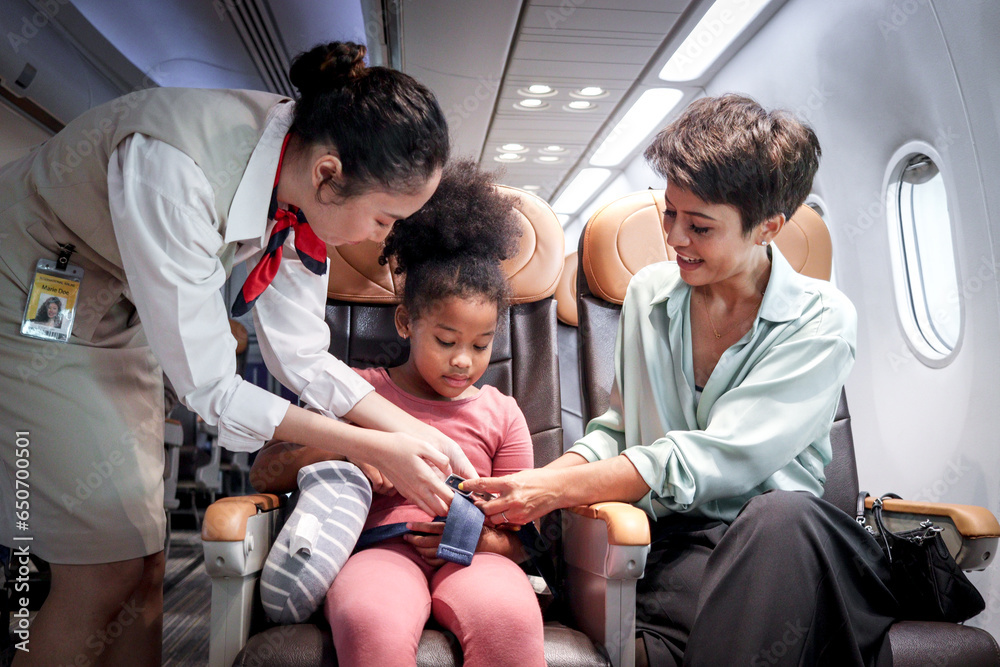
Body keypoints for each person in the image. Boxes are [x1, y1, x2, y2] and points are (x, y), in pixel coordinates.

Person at [0, 42, 476, 667]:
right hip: (31, 305)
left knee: (145, 564)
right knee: (95, 572)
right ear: (330, 175)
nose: (382, 239)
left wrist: (413, 432)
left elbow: (302, 354)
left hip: (119, 312)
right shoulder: (174, 169)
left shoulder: (300, 183)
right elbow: (214, 395)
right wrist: (366, 445)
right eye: (385, 219)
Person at [463, 95, 900, 665]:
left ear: (768, 226)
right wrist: (532, 485)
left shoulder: (821, 319)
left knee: (779, 517)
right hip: (677, 551)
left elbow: (719, 457)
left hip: (787, 549)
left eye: (700, 226)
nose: (675, 238)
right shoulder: (648, 294)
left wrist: (554, 492)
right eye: (669, 213)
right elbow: (619, 433)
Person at [251, 161, 545, 666]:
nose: (463, 360)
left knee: (509, 622)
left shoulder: (502, 412)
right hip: (380, 551)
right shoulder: (356, 393)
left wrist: (478, 537)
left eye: (481, 344)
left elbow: (528, 538)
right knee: (370, 621)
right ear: (407, 322)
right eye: (446, 340)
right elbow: (266, 470)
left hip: (476, 556)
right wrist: (355, 448)